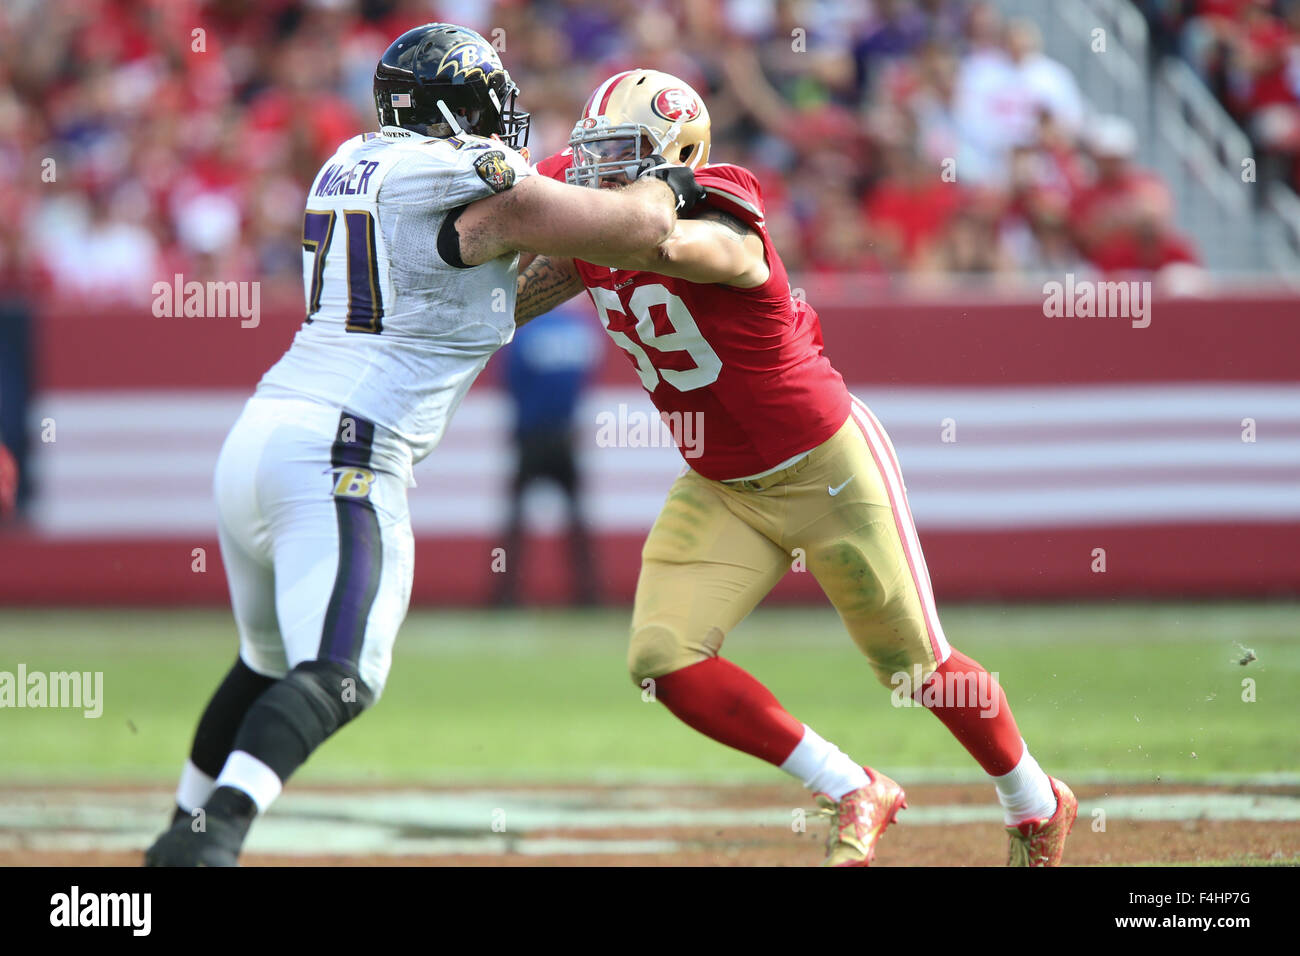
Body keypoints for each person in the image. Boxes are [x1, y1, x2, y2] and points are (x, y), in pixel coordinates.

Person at [144, 24, 705, 866]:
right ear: (455, 107)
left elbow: (477, 284)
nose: (504, 120)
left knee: (265, 665)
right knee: (341, 674)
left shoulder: (351, 164)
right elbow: (585, 219)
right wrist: (661, 187)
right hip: (341, 450)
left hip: (261, 437)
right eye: (491, 102)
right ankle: (212, 840)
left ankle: (177, 834)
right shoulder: (455, 174)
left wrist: (582, 253)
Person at [518, 69, 1077, 866]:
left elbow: (666, 241)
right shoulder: (602, 221)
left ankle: (1034, 799)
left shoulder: (719, 221)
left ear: (675, 160)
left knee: (918, 668)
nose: (595, 173)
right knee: (662, 659)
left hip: (824, 466)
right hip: (721, 484)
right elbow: (531, 281)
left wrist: (542, 211)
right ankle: (853, 785)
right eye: (593, 154)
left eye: (622, 157)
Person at [493, 304, 603, 606]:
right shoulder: (579, 330)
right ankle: (589, 595)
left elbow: (510, 381)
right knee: (578, 524)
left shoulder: (524, 328)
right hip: (565, 436)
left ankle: (506, 595)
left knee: (514, 524)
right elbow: (584, 379)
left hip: (530, 436)